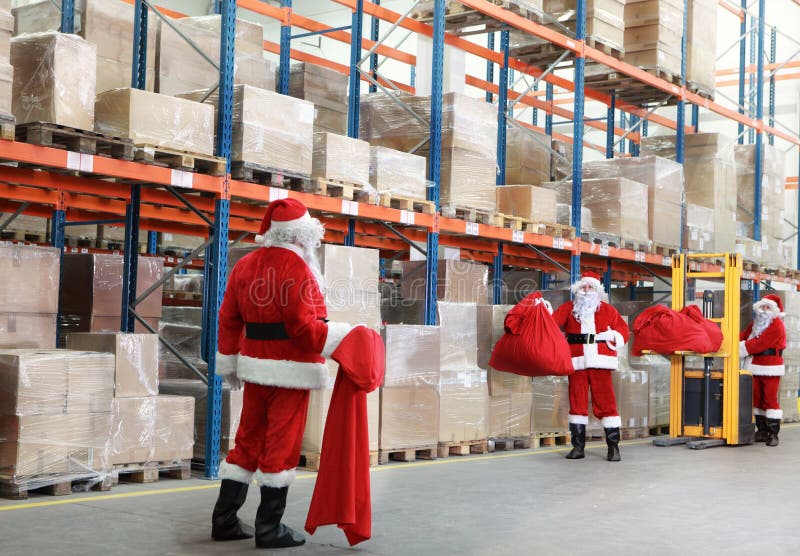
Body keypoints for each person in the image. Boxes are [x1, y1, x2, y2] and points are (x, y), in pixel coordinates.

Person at [210, 198, 355, 548]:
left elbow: (228, 318)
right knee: (281, 445)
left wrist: (228, 360)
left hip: (255, 366)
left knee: (247, 439)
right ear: (303, 235)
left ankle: (224, 520)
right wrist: (341, 338)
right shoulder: (300, 270)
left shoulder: (245, 265)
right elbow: (304, 328)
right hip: (291, 368)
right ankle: (269, 528)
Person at [552, 271, 630, 462]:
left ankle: (613, 448)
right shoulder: (569, 309)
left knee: (606, 402)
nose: (586, 291)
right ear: (577, 289)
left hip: (600, 361)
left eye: (590, 287)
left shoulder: (607, 310)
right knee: (576, 401)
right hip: (577, 362)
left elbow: (623, 331)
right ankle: (578, 447)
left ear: (597, 290)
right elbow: (552, 324)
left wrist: (613, 337)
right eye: (583, 287)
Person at [740, 294, 786, 447]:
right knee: (757, 399)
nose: (764, 311)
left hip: (771, 367)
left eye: (768, 307)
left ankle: (774, 434)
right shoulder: (755, 324)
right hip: (755, 365)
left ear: (774, 311)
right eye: (763, 307)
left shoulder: (777, 325)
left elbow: (760, 343)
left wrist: (741, 347)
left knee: (769, 399)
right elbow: (744, 336)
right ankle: (762, 431)